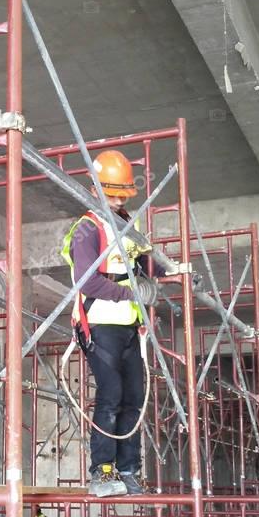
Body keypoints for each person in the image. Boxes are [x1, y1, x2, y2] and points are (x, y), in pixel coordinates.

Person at [60, 150, 161, 497]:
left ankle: (129, 470)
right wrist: (133, 294)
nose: (118, 200)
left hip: (130, 327)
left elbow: (147, 265)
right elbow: (87, 283)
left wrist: (173, 274)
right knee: (111, 396)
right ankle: (102, 472)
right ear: (95, 190)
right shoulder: (87, 230)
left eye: (122, 194)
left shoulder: (127, 226)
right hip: (99, 324)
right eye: (112, 193)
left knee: (134, 396)